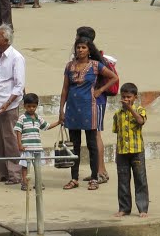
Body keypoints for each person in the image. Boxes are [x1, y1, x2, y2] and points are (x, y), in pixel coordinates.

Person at [59, 37, 117, 191]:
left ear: (89, 50)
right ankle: (74, 178)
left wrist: (100, 90)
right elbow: (65, 89)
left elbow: (114, 77)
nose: (80, 50)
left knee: (92, 145)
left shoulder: (96, 65)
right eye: (78, 47)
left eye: (83, 47)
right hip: (72, 108)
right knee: (74, 145)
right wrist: (61, 109)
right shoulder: (69, 66)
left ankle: (94, 178)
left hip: (89, 109)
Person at [0, 25, 25, 186]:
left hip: (8, 106)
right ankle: (1, 173)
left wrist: (7, 103)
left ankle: (15, 174)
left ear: (7, 40)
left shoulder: (16, 58)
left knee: (10, 139)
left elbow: (19, 85)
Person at [112, 82, 149, 218]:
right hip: (122, 152)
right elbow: (117, 132)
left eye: (129, 97)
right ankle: (124, 208)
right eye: (124, 97)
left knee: (140, 180)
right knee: (123, 181)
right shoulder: (117, 114)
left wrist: (130, 109)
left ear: (135, 97)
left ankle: (142, 209)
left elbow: (140, 121)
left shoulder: (140, 110)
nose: (126, 99)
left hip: (137, 151)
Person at [14, 93, 55, 191]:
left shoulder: (38, 118)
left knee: (37, 167)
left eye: (34, 106)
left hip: (37, 148)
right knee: (25, 166)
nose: (31, 108)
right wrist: (19, 144)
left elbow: (47, 126)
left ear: (36, 106)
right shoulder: (22, 118)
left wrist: (59, 122)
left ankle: (38, 183)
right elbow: (18, 131)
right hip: (26, 147)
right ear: (24, 106)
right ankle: (25, 183)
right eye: (29, 106)